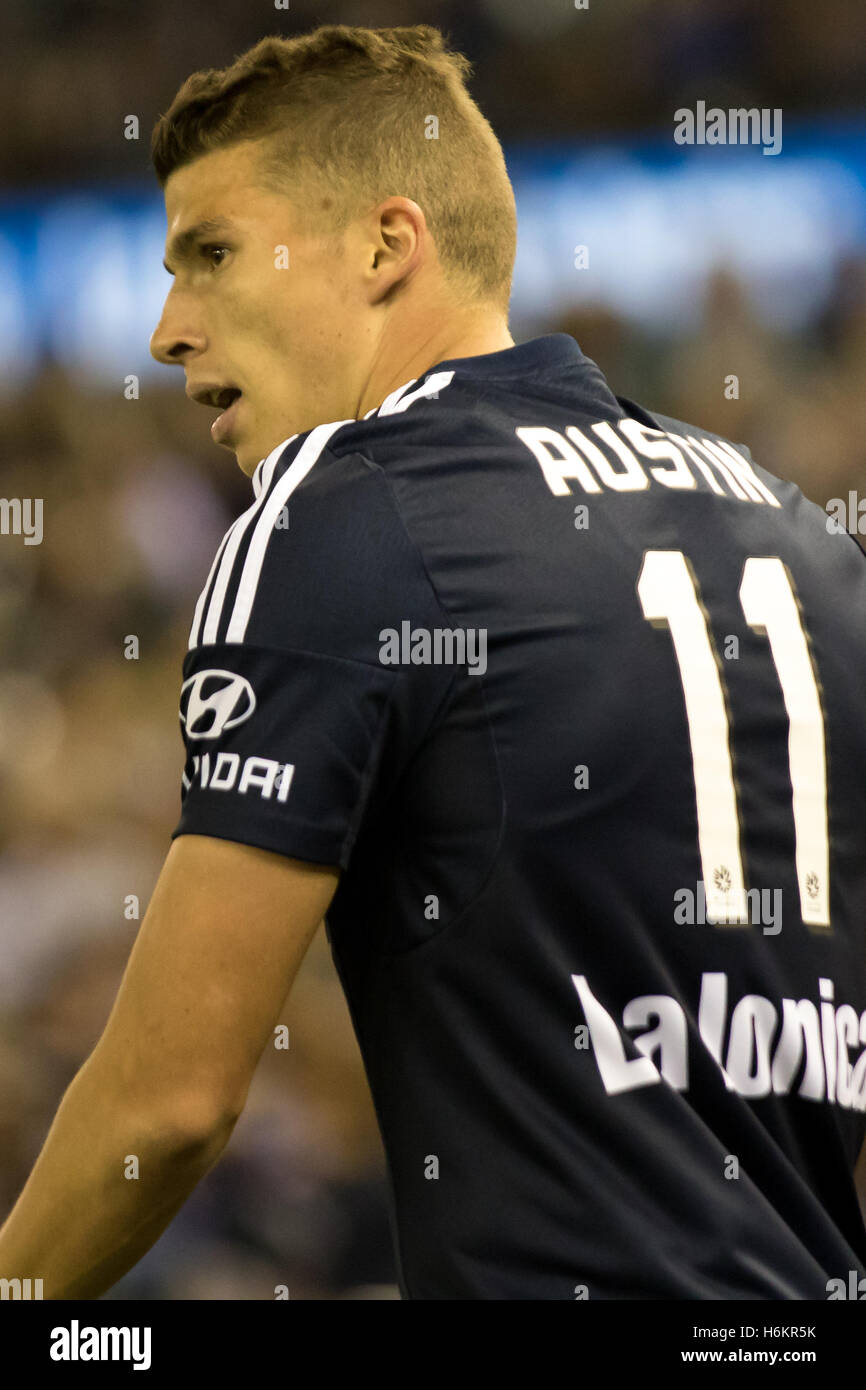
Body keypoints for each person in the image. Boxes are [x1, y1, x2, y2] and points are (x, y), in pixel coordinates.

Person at [2, 22, 865, 1301]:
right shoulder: (805, 536)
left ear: (385, 246)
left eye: (213, 255)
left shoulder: (336, 509)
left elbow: (169, 1106)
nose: (166, 330)